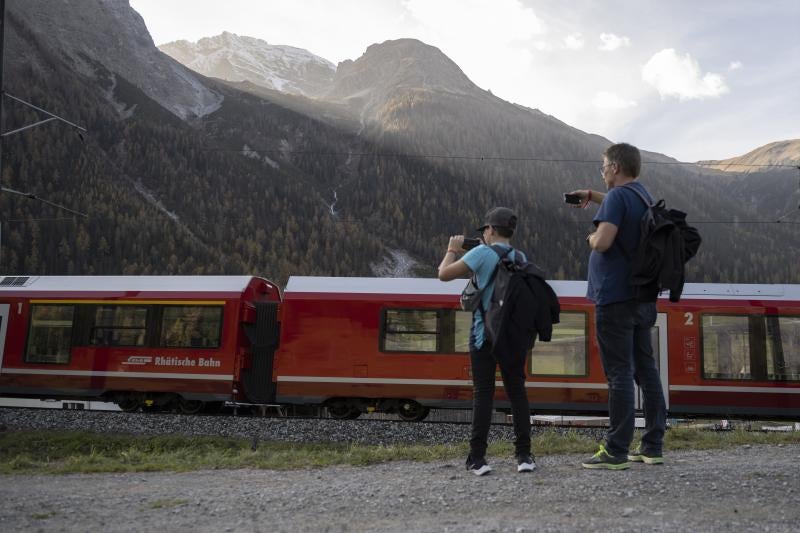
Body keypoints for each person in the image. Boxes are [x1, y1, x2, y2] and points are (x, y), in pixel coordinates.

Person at [568, 142, 667, 470]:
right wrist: (593, 196)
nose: (602, 172)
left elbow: (604, 240)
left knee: (619, 373)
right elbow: (620, 205)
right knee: (646, 371)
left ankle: (616, 449)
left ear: (614, 167)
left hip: (615, 297)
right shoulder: (643, 195)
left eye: (603, 167)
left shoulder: (617, 198)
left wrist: (590, 238)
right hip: (642, 298)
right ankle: (652, 445)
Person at [438, 207, 535, 476]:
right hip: (512, 338)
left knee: (483, 394)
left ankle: (478, 459)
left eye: (486, 230)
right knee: (517, 393)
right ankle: (524, 456)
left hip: (484, 335)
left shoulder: (481, 253)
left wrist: (452, 249)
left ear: (491, 230)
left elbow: (443, 274)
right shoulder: (520, 257)